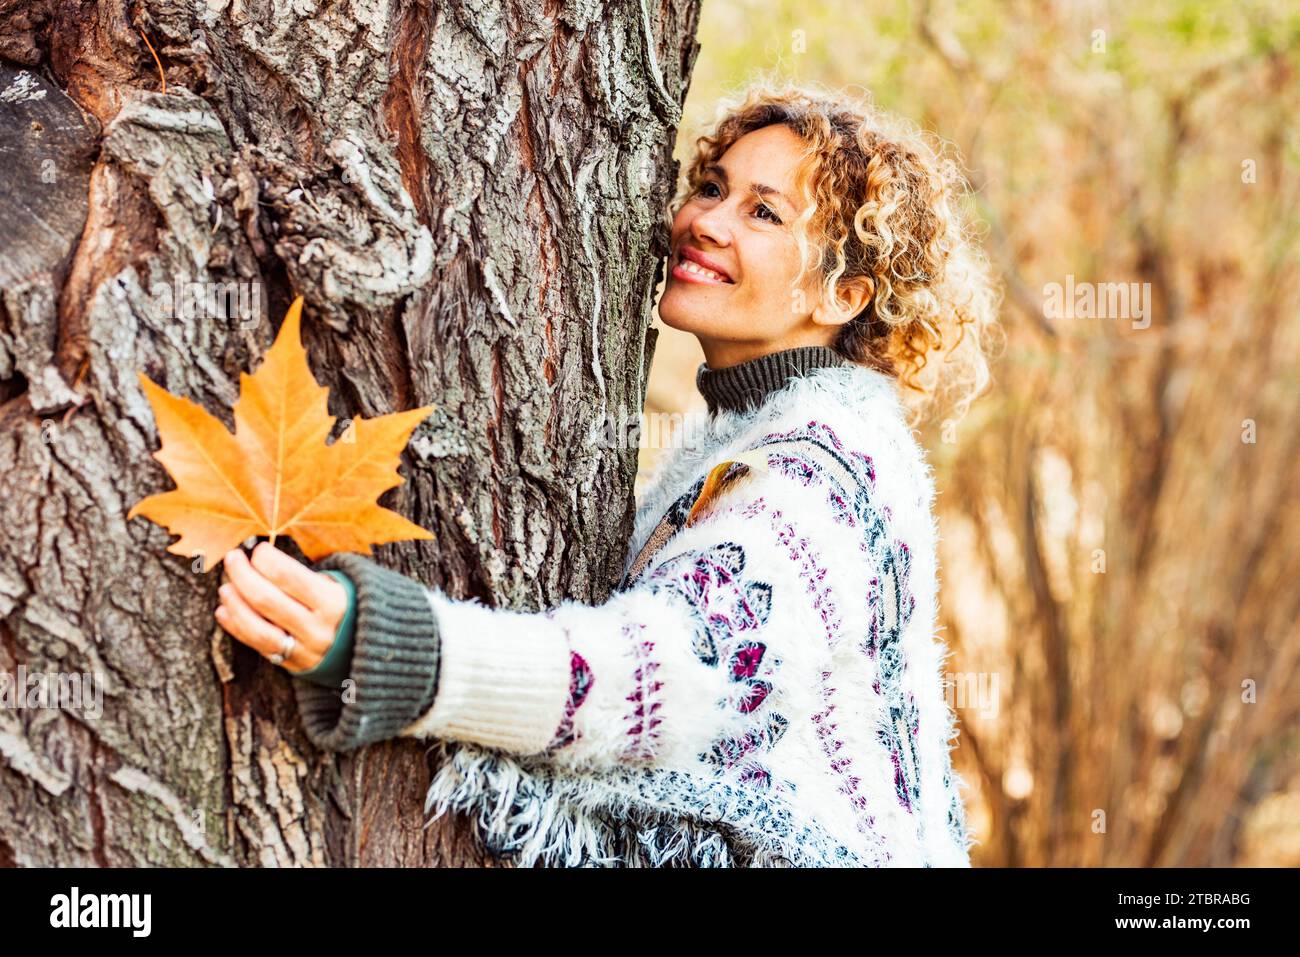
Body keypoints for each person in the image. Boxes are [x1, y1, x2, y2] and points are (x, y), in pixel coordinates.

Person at [214, 77, 1002, 867]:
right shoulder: (753, 434)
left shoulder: (817, 469)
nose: (705, 223)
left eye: (763, 212)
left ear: (843, 295)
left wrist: (401, 651)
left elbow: (674, 675)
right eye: (711, 187)